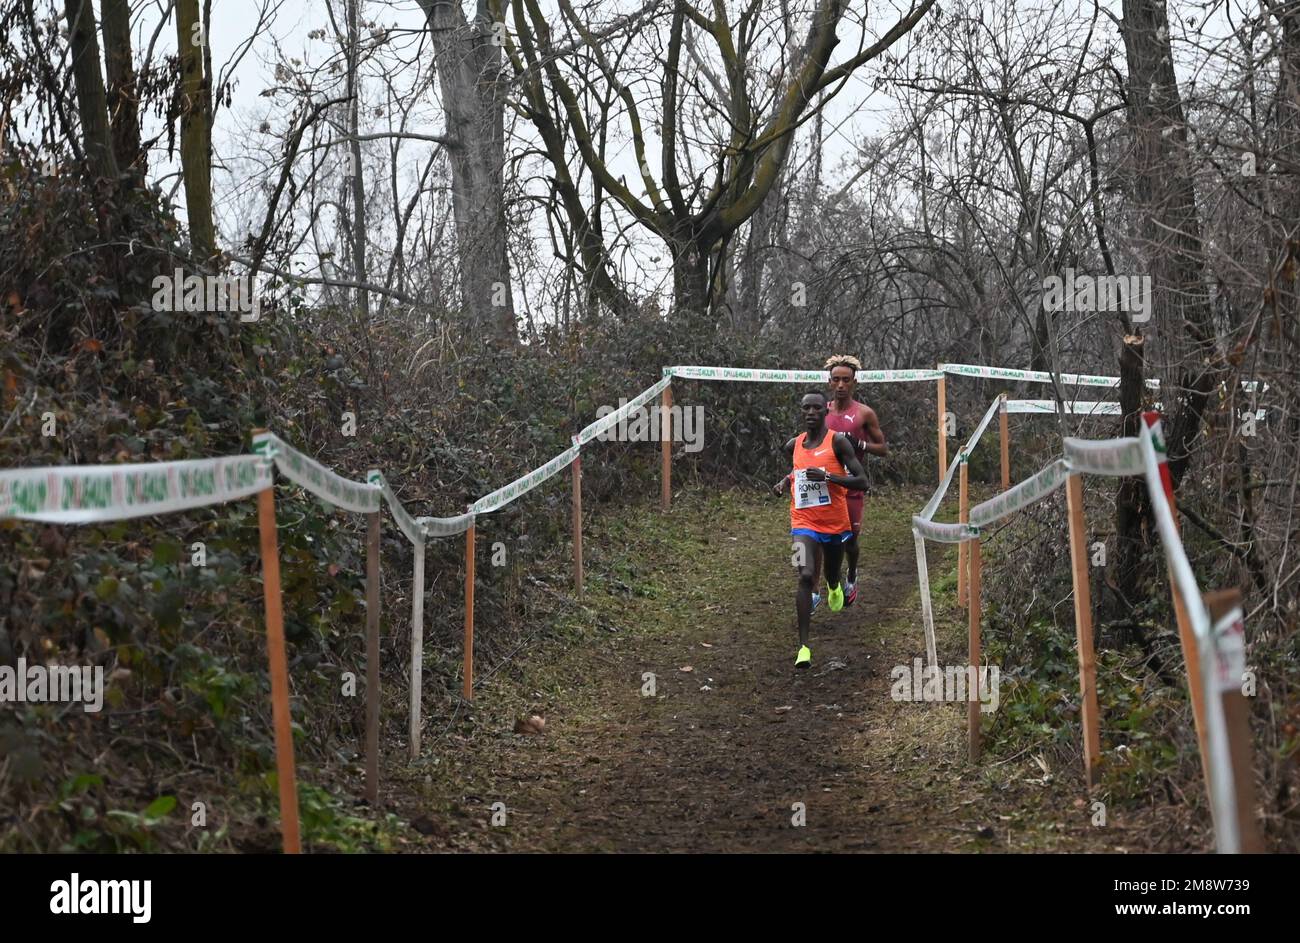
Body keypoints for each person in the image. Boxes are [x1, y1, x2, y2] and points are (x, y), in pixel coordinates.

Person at [772, 390, 868, 668]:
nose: (811, 413)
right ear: (801, 412)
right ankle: (803, 648)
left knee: (830, 574)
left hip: (834, 524)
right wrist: (784, 483)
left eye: (816, 408)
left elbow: (862, 481)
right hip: (802, 521)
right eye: (806, 408)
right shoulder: (795, 444)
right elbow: (798, 472)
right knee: (804, 575)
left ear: (825, 411)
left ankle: (835, 586)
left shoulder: (838, 442)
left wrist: (827, 477)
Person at [822, 354, 888, 607]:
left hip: (851, 485)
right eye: (836, 380)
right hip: (826, 484)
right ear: (829, 382)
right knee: (823, 539)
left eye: (846, 380)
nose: (841, 385)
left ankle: (851, 575)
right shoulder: (820, 411)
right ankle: (829, 584)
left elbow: (883, 449)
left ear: (854, 383)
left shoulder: (864, 414)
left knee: (850, 540)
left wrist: (859, 443)